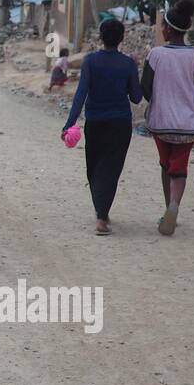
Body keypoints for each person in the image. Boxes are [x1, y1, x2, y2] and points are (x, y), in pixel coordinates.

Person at [62, 21, 142, 235]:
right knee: (111, 169)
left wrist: (70, 122)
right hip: (120, 123)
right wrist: (134, 69)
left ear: (101, 37)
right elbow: (136, 97)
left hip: (95, 122)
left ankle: (101, 214)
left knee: (94, 167)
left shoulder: (90, 61)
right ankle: (101, 215)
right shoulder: (127, 64)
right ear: (122, 38)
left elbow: (81, 93)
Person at [141, 0, 194, 237]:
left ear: (168, 29)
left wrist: (160, 101)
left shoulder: (156, 55)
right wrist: (187, 104)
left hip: (161, 123)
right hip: (187, 125)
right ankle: (174, 207)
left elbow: (145, 89)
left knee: (165, 164)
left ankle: (166, 207)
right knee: (179, 168)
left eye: (162, 26)